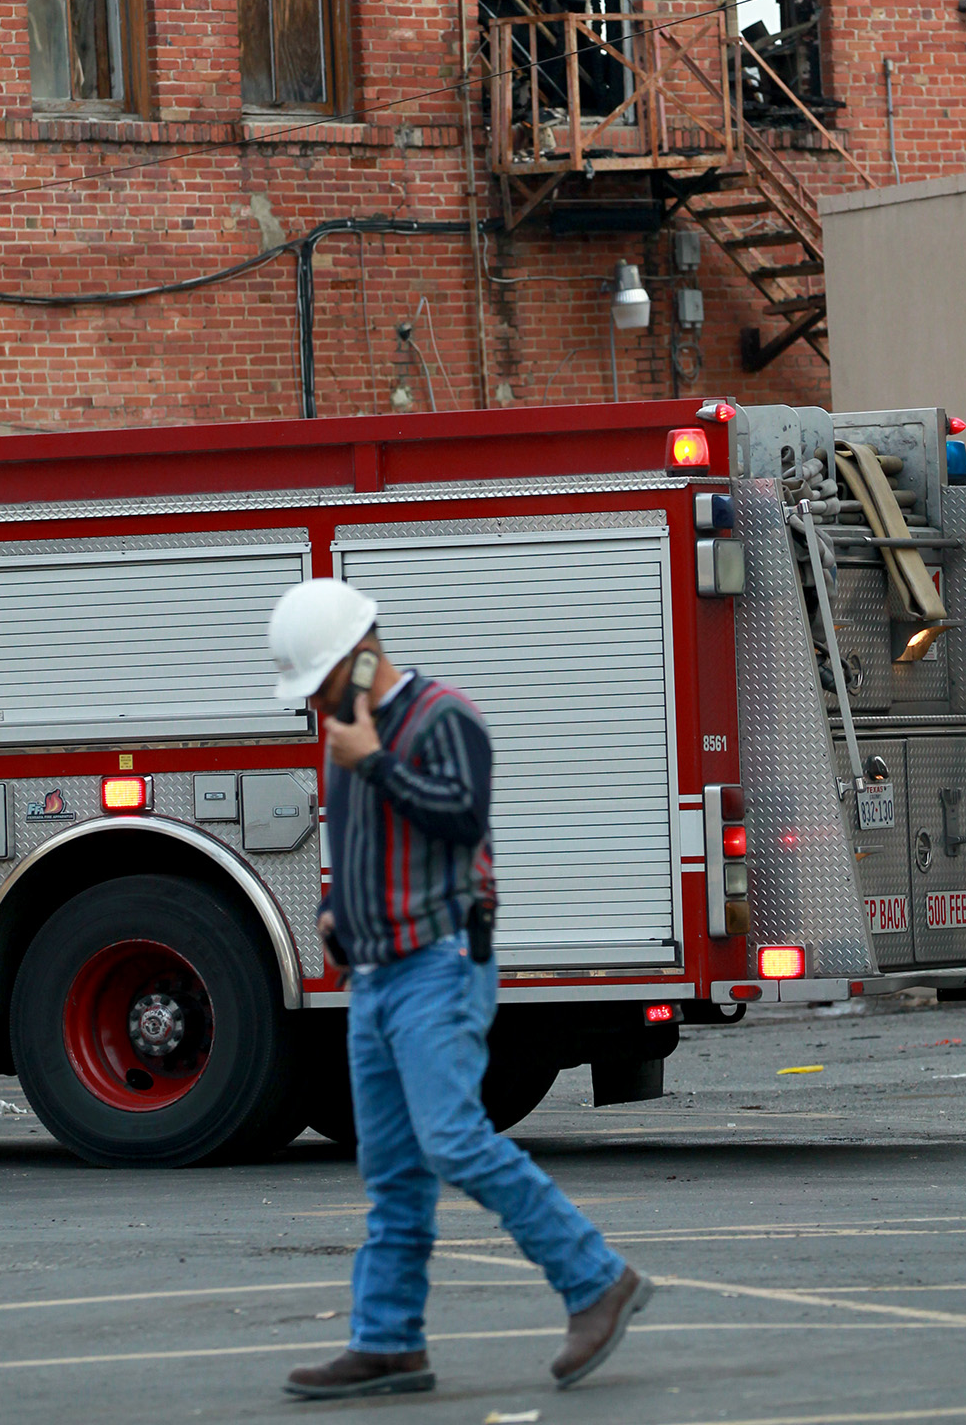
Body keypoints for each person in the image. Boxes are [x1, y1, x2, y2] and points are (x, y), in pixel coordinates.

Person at [268, 577, 653, 1402]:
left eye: (320, 684)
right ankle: (387, 1344)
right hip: (376, 977)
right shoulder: (345, 738)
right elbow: (359, 846)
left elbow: (462, 817)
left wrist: (374, 763)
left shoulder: (443, 717)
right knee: (392, 1169)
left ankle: (596, 1279)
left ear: (360, 656)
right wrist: (338, 912)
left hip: (438, 965)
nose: (314, 705)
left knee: (451, 1142)